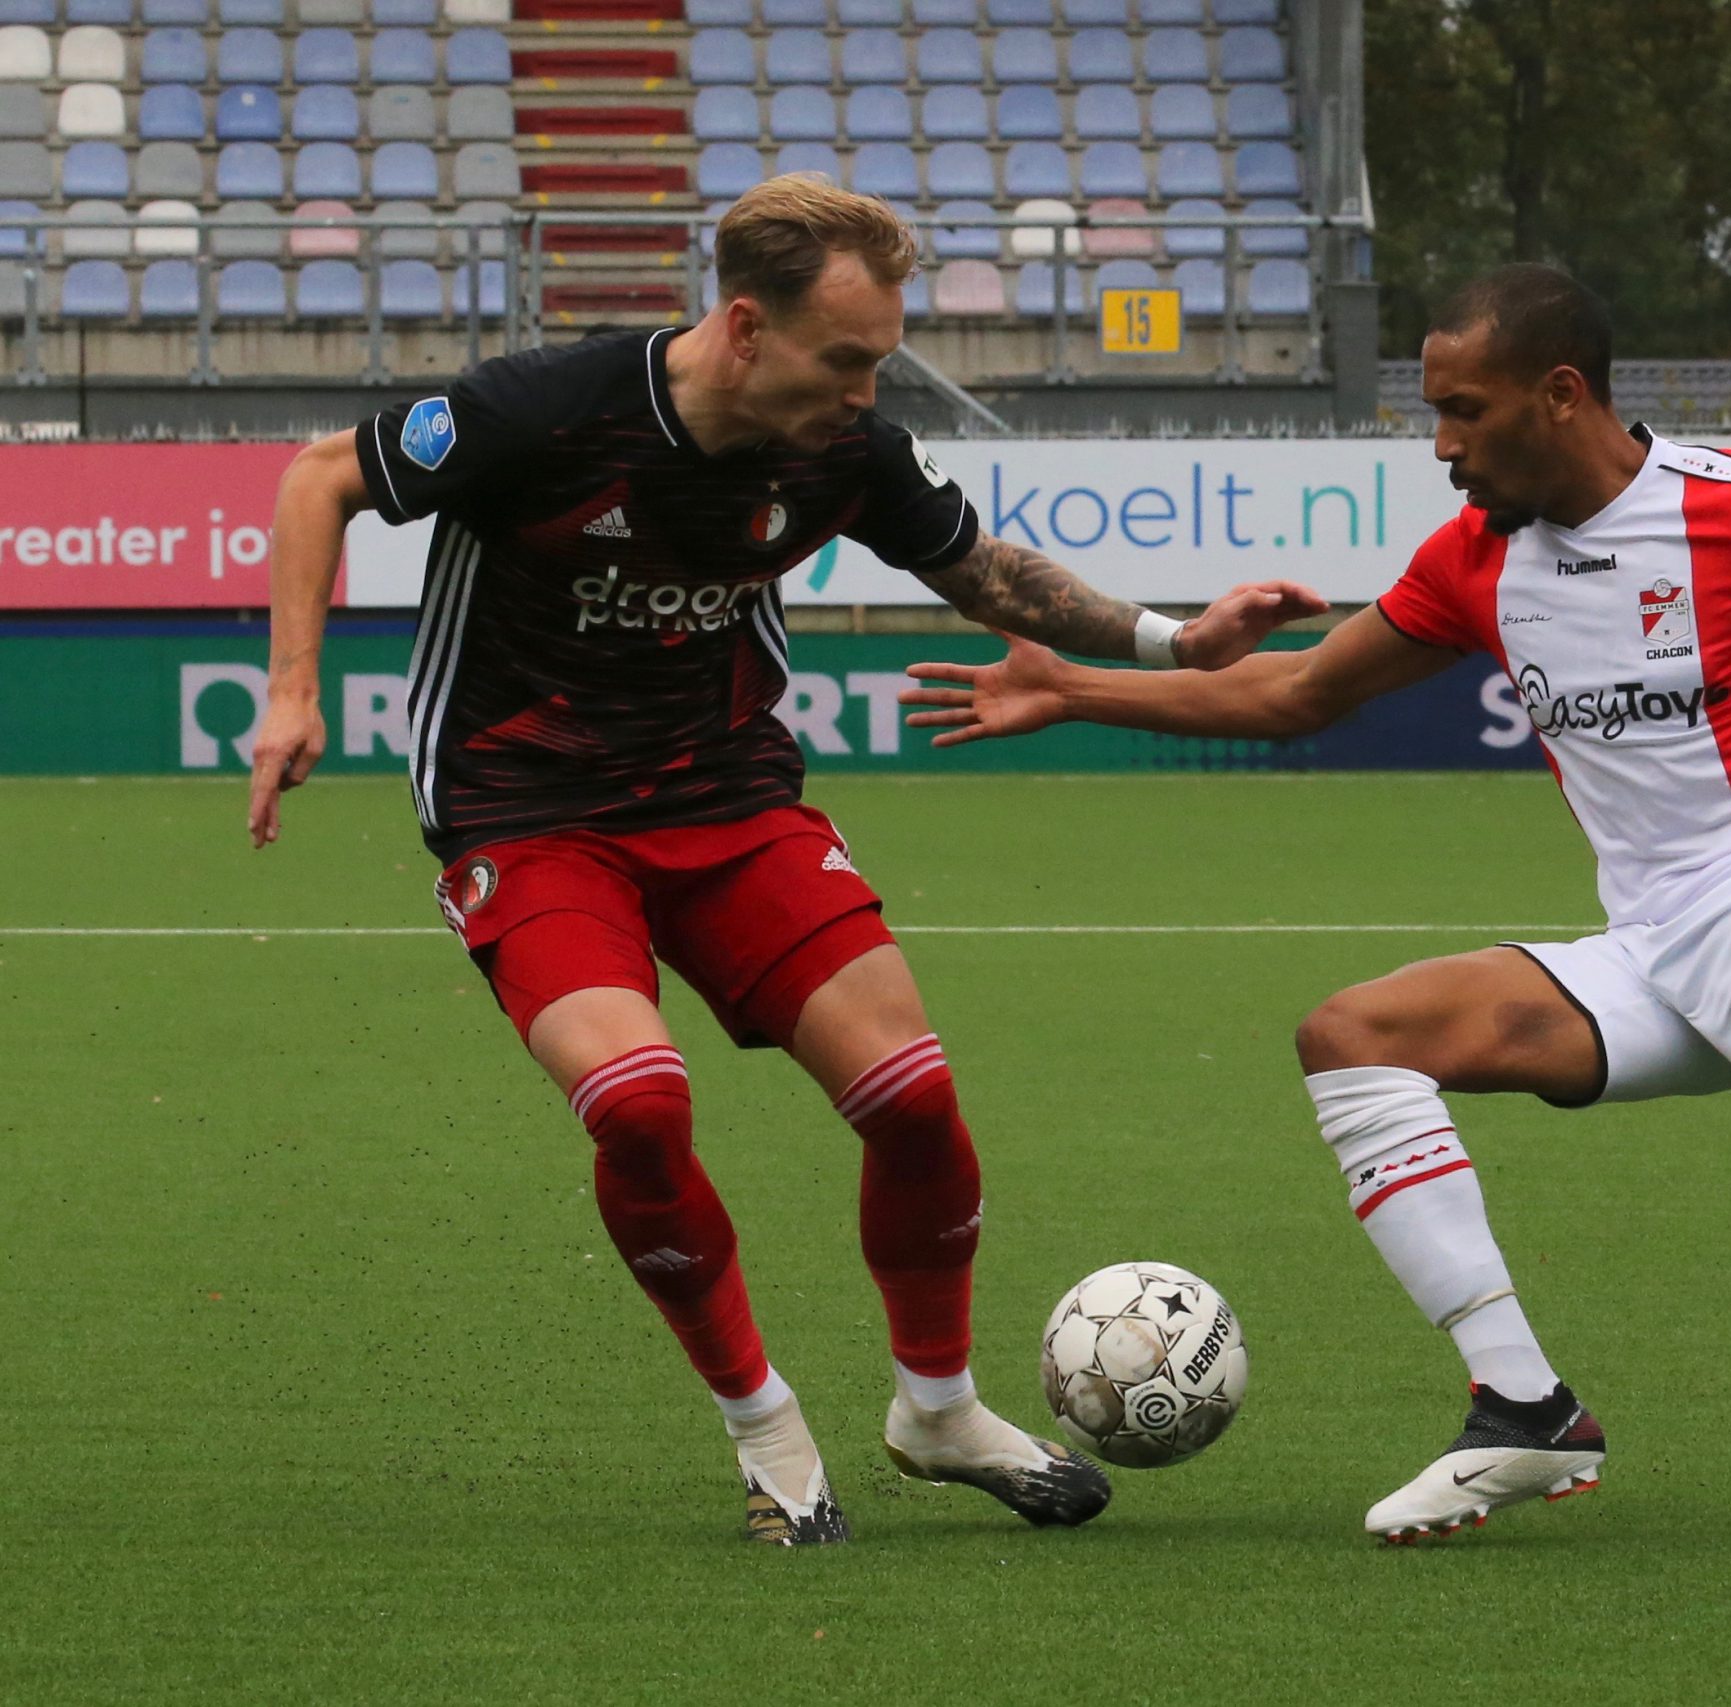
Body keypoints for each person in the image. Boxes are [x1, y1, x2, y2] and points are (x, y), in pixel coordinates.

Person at [900, 264, 1731, 1564]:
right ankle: (1526, 1405)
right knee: (1356, 1035)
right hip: (1650, 944)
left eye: (1464, 409)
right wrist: (1070, 686)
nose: (1442, 442)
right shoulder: (1474, 560)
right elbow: (1292, 696)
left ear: (1561, 394)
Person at [241, 176, 1323, 1546]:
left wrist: (1178, 639)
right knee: (637, 1105)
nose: (868, 390)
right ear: (746, 329)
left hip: (730, 797)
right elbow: (319, 475)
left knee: (915, 1096)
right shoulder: (552, 407)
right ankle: (767, 1426)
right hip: (527, 813)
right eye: (847, 358)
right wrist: (292, 688)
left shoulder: (843, 448)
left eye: (883, 358)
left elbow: (983, 571)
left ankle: (936, 1408)